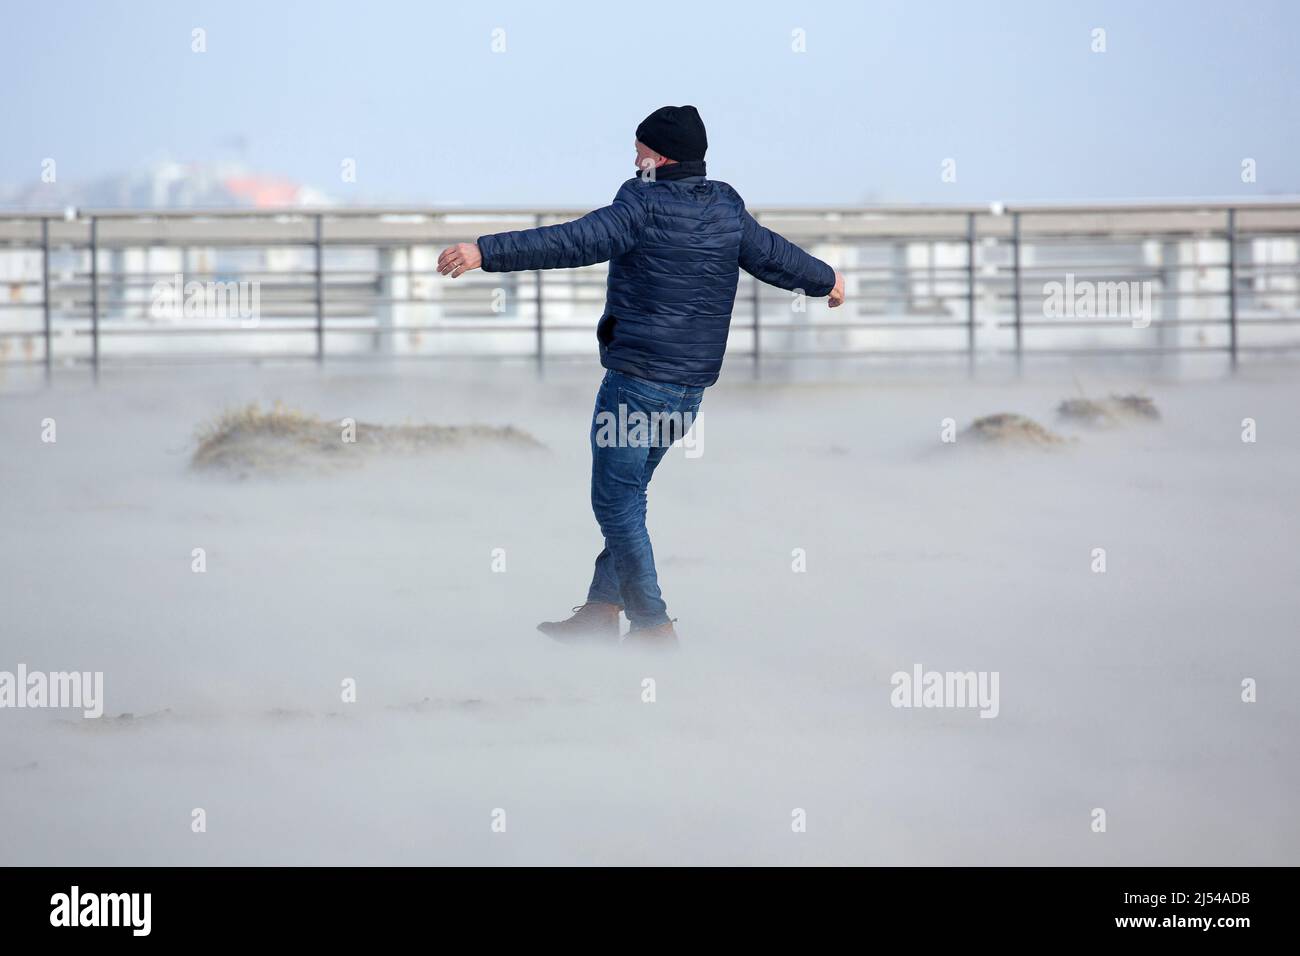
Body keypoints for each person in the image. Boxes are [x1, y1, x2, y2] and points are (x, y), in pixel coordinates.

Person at [438, 105, 845, 649]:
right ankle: (602, 611)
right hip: (689, 390)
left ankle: (653, 625)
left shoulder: (642, 204)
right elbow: (774, 255)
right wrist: (827, 281)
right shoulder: (725, 207)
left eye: (639, 149)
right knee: (629, 496)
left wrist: (483, 252)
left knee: (615, 502)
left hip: (637, 384)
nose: (633, 158)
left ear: (659, 155)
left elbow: (573, 240)